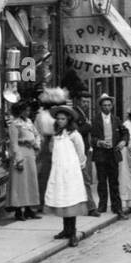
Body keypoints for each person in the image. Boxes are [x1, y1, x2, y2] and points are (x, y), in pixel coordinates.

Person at [45, 105, 91, 246]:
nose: (60, 121)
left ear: (68, 120)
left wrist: (78, 166)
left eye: (63, 119)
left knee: (71, 199)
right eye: (58, 119)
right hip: (59, 171)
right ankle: (66, 229)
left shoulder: (74, 135)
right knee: (62, 199)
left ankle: (72, 232)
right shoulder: (56, 135)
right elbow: (52, 151)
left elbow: (81, 152)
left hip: (71, 171)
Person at [89, 93, 126, 215]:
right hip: (101, 154)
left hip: (113, 154)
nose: (107, 107)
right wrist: (99, 142)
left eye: (109, 105)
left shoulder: (116, 120)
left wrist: (123, 141)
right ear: (100, 107)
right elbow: (91, 138)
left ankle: (117, 207)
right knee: (102, 181)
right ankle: (102, 206)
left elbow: (125, 133)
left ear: (112, 106)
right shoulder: (95, 120)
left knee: (114, 182)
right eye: (104, 105)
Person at [7, 100, 42, 220]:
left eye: (28, 110)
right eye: (25, 110)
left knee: (30, 181)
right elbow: (14, 143)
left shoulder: (29, 122)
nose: (27, 112)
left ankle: (29, 209)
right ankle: (18, 210)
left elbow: (37, 135)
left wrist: (36, 144)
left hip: (30, 153)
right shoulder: (14, 124)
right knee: (20, 183)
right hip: (21, 153)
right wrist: (18, 158)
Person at [75, 95, 100, 217]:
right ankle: (91, 207)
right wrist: (88, 126)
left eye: (87, 102)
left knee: (85, 179)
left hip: (85, 150)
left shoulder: (84, 114)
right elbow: (77, 131)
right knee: (86, 180)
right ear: (78, 101)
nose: (86, 104)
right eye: (83, 101)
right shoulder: (75, 114)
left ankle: (86, 206)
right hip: (79, 153)